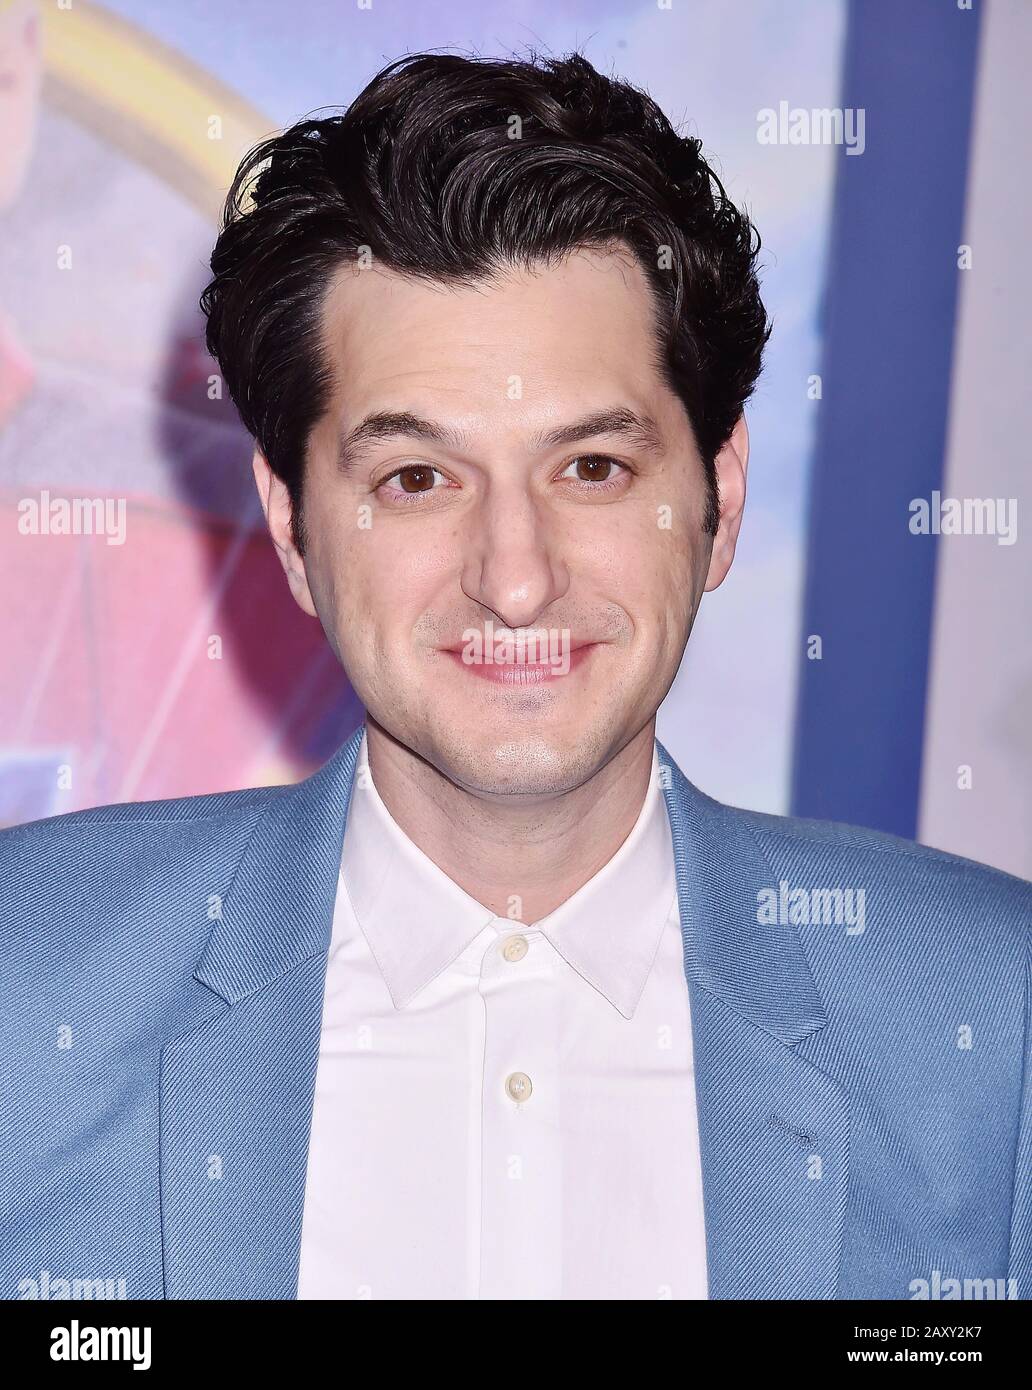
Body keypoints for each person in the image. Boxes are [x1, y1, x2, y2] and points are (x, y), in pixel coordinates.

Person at [1, 50, 1028, 1303]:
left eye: (591, 467)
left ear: (721, 496)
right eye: (417, 479)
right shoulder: (26, 985)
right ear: (292, 532)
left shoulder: (992, 1019)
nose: (517, 578)